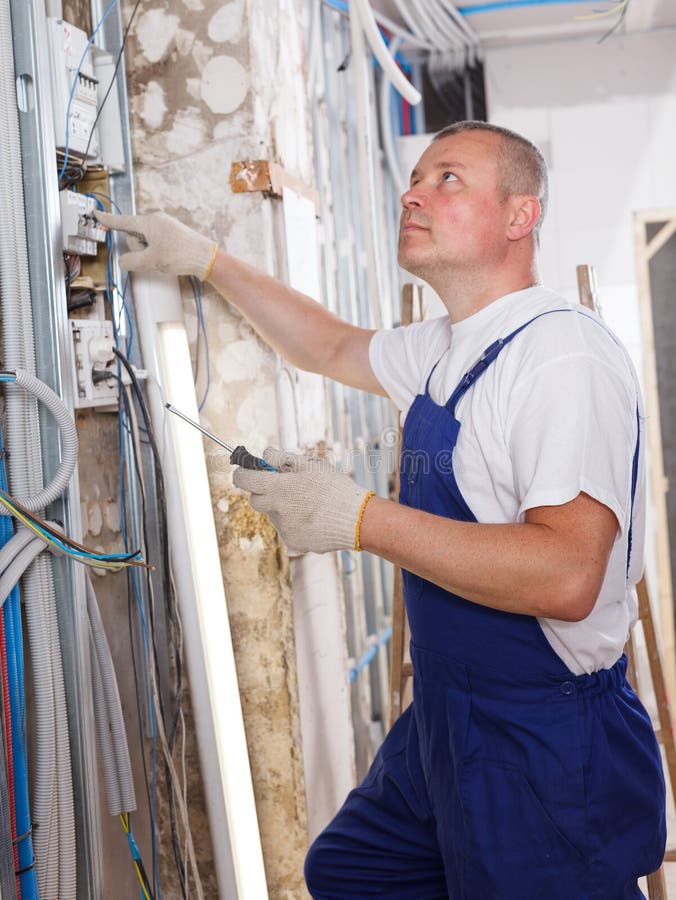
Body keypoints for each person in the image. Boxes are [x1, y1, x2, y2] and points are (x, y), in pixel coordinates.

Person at [97, 120, 666, 899]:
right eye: (416, 177)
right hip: (448, 711)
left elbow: (567, 574)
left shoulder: (559, 357)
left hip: (543, 734)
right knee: (354, 871)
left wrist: (359, 517)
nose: (413, 193)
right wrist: (209, 261)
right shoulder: (445, 345)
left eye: (448, 178)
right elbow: (327, 347)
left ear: (519, 215)